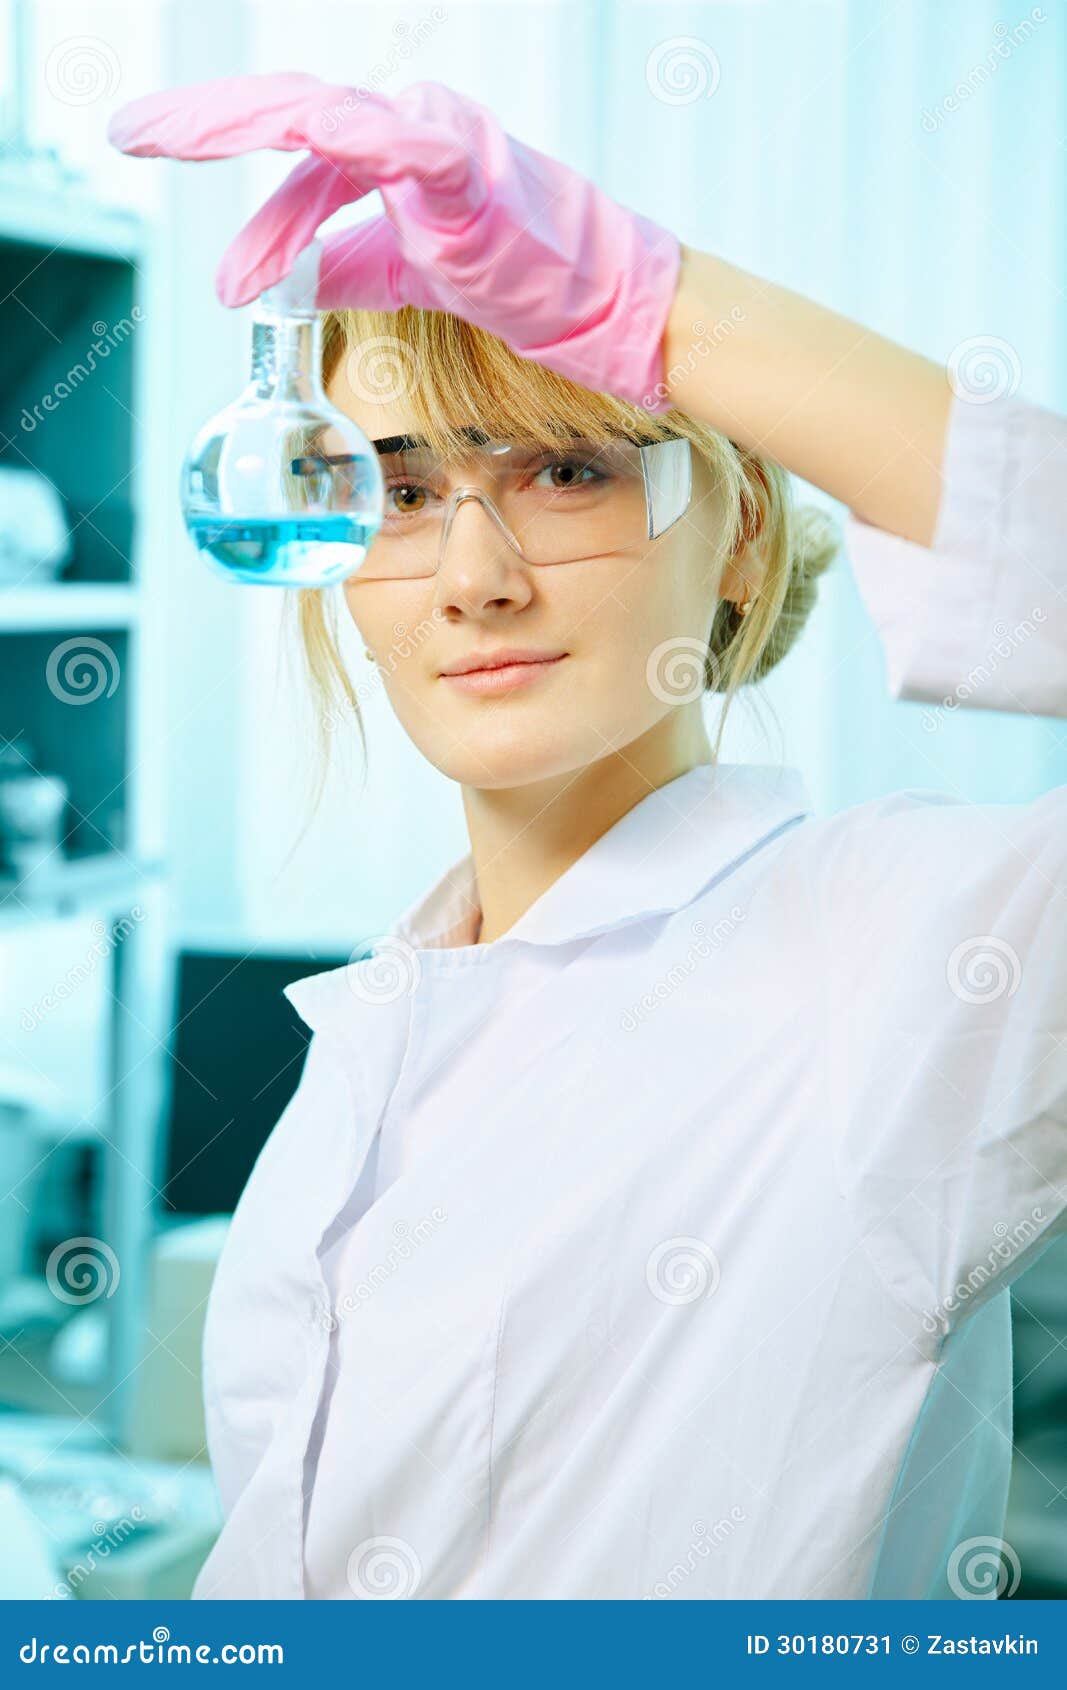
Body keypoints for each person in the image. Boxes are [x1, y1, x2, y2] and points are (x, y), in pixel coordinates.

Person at [110, 75, 1067, 1601]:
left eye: (567, 469)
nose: (473, 575)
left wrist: (665, 311)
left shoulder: (900, 962)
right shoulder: (369, 1046)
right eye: (398, 488)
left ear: (738, 533)